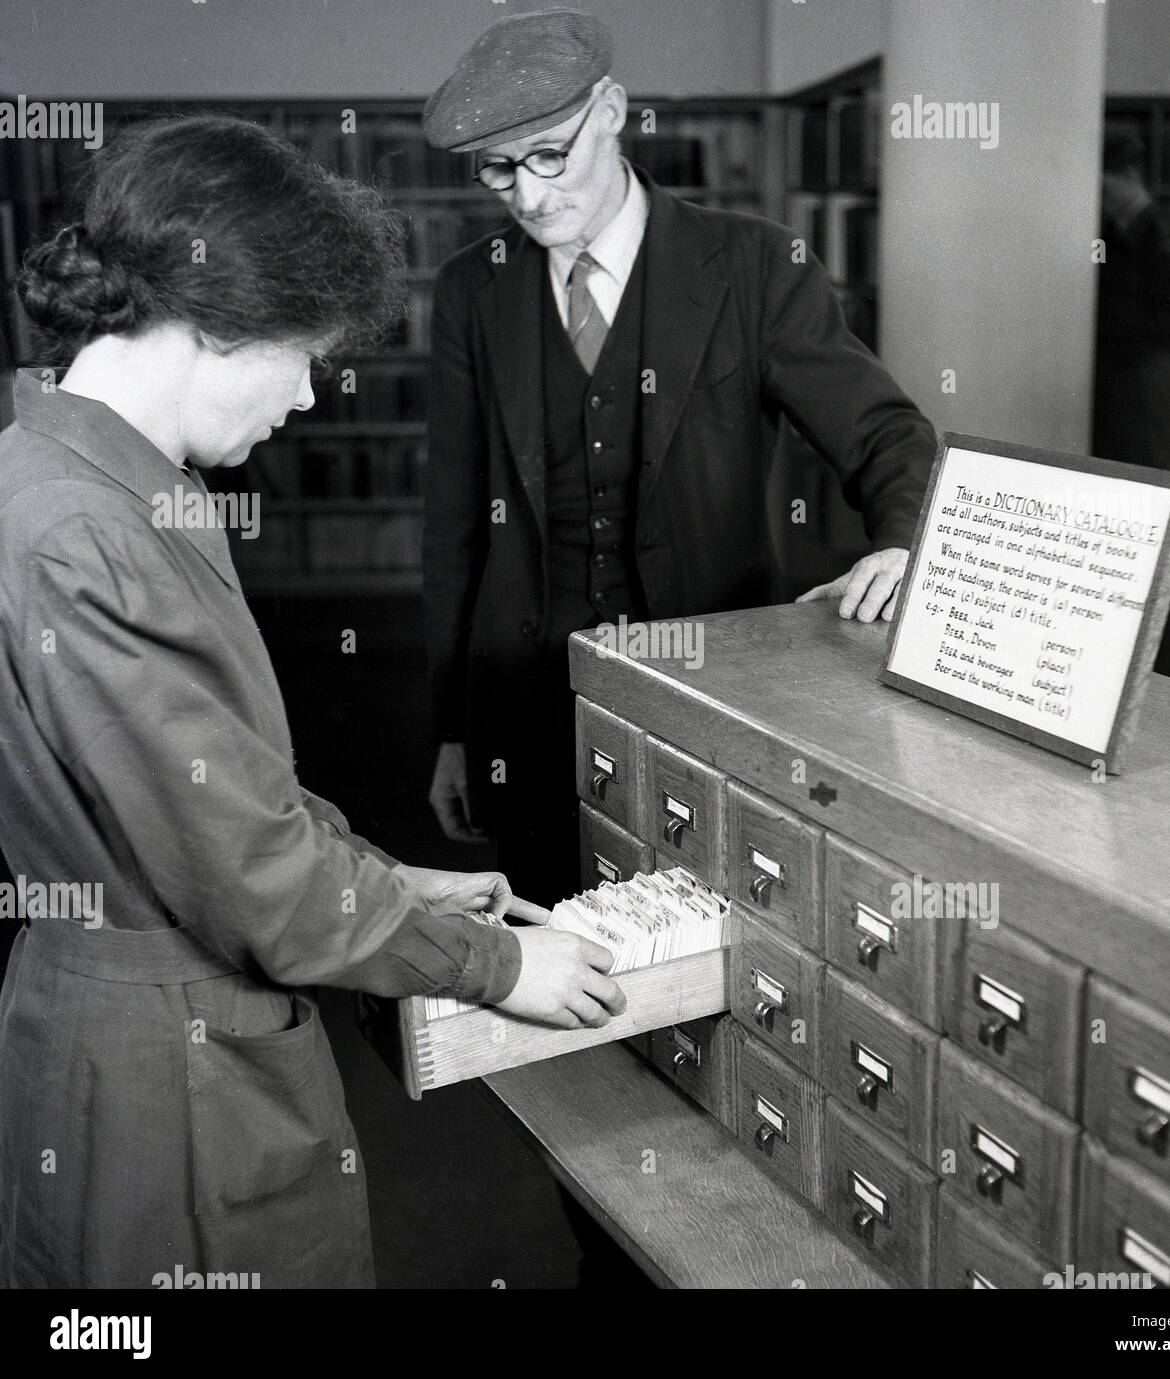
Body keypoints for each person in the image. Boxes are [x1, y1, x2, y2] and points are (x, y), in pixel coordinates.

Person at [0, 114, 624, 1290]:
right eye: (302, 359)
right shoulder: (84, 530)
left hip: (142, 1030)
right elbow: (248, 875)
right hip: (163, 1076)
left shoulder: (93, 482)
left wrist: (387, 875)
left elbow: (224, 790)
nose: (303, 403)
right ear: (211, 327)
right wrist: (489, 966)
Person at [421, 9, 938, 903]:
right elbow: (454, 525)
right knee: (553, 940)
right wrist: (452, 729)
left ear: (612, 110)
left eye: (549, 154)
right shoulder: (472, 287)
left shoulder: (756, 266)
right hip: (526, 698)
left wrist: (902, 543)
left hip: (712, 683)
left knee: (708, 930)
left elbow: (887, 433)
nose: (529, 195)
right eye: (497, 169)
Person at [1092, 127, 1170, 470]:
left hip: (1139, 393)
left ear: (1129, 177)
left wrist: (1115, 338)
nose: (1100, 199)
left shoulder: (1157, 232)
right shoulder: (1117, 231)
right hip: (1115, 390)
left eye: (1104, 187)